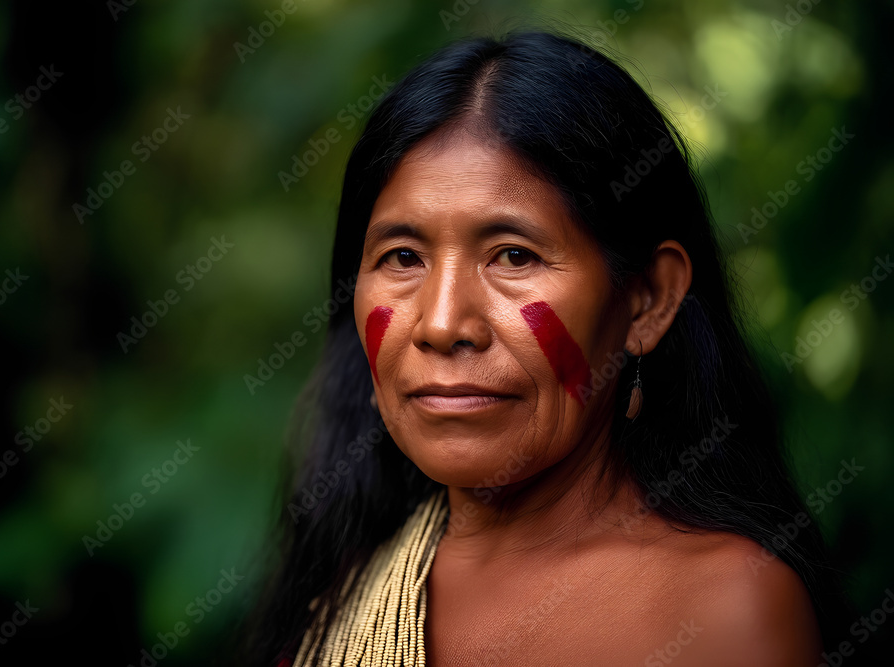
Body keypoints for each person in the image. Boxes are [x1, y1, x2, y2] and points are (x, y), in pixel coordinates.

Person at [234, 27, 851, 666]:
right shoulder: (339, 593)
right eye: (403, 257)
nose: (442, 324)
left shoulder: (726, 612)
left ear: (648, 300)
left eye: (513, 255)